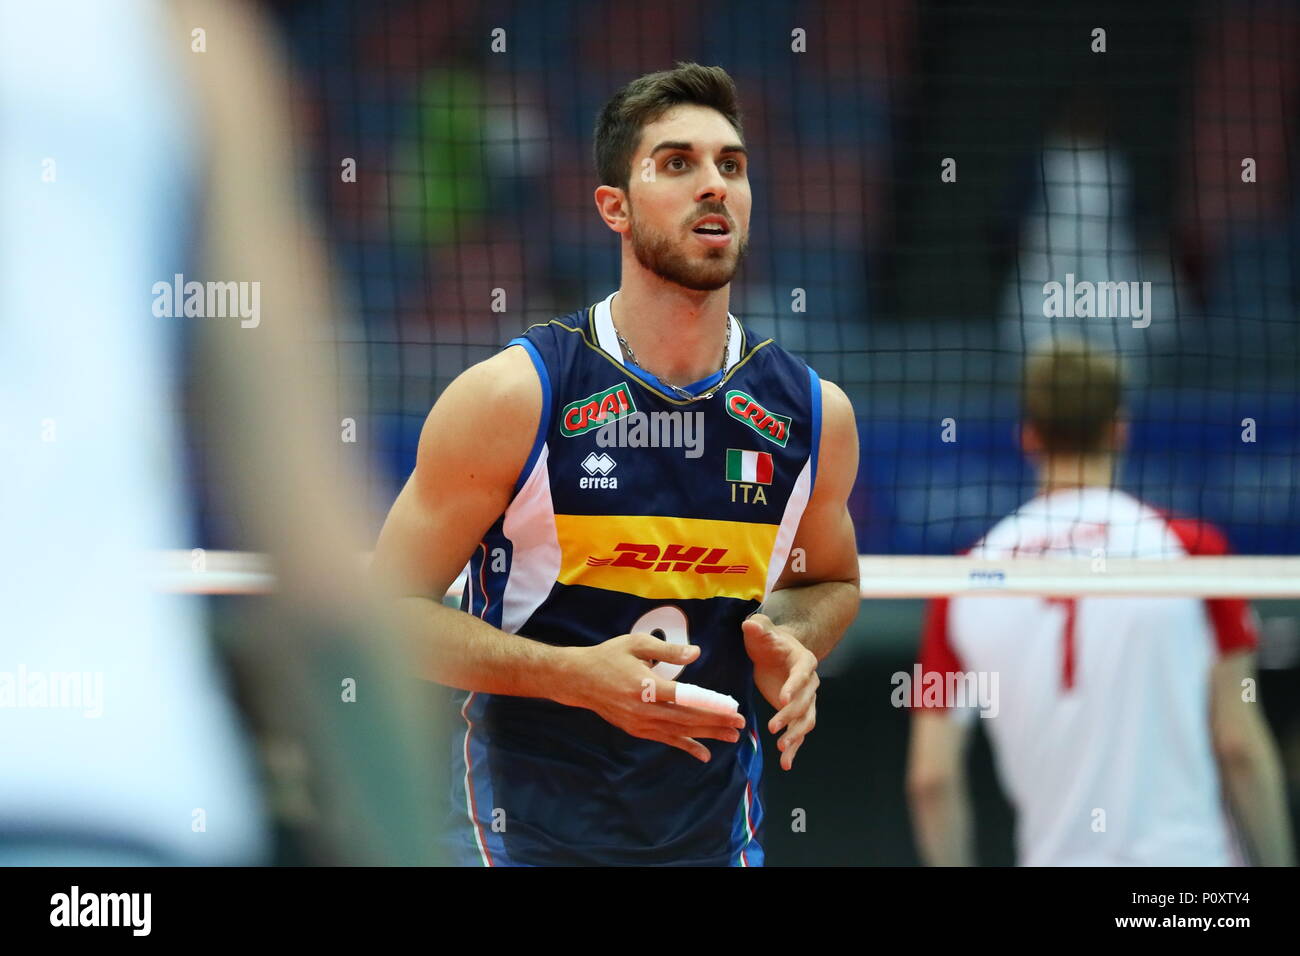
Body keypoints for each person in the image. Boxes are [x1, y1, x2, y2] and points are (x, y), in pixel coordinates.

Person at [372, 62, 861, 866]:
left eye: (730, 165)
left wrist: (793, 636)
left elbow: (831, 581)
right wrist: (573, 676)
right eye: (677, 163)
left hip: (714, 843)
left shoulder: (811, 414)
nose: (714, 185)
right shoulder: (515, 396)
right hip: (516, 841)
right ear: (616, 209)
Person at [906, 338, 1294, 866]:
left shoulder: (964, 581)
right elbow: (1239, 747)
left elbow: (931, 779)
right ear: (1119, 429)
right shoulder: (1193, 550)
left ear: (1029, 435)